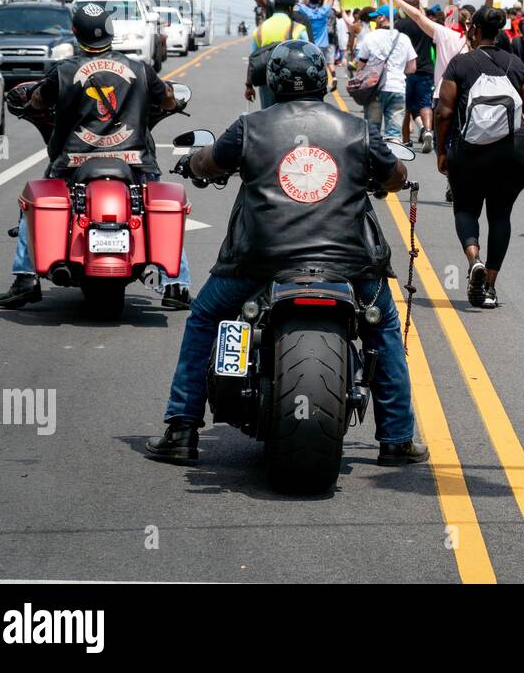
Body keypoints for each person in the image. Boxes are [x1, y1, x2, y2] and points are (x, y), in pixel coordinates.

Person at [146, 41, 426, 466]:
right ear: (324, 79)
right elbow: (394, 176)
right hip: (349, 263)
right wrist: (389, 176)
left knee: (205, 316)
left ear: (273, 82)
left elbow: (207, 164)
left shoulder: (249, 127)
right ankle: (397, 439)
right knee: (382, 326)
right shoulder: (357, 130)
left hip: (259, 260)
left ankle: (182, 428)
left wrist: (191, 165)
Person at [0, 4, 193, 310]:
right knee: (160, 204)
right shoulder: (140, 69)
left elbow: (37, 100)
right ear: (111, 32)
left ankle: (25, 278)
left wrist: (34, 104)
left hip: (73, 162)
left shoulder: (63, 72)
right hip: (134, 162)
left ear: (76, 33)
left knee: (32, 205)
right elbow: (167, 97)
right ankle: (176, 283)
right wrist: (169, 102)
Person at [434, 6, 524, 309]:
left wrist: (442, 151)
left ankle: (473, 258)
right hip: (514, 150)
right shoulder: (516, 64)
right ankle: (490, 287)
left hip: (470, 151)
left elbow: (444, 111)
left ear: (474, 30)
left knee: (466, 208)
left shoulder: (459, 64)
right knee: (500, 215)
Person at [356, 7, 416, 139]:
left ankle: (374, 158)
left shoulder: (370, 37)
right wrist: (398, 69)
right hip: (397, 88)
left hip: (375, 89)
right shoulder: (404, 38)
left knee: (373, 132)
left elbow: (360, 65)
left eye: (377, 16)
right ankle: (392, 157)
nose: (375, 19)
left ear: (382, 18)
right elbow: (412, 68)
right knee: (394, 134)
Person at [245, 0, 309, 108]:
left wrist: (249, 86)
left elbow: (252, 59)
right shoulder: (298, 28)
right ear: (290, 8)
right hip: (291, 82)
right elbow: (308, 58)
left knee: (268, 117)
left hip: (265, 81)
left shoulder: (259, 30)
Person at [392, 0, 436, 153]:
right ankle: (428, 131)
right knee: (425, 103)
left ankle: (406, 141)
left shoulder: (399, 25)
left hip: (406, 70)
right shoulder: (426, 23)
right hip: (426, 69)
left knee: (406, 107)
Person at [297, 0, 337, 89]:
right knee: (322, 65)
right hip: (323, 44)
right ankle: (322, 84)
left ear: (309, 1)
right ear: (319, 1)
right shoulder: (323, 12)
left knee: (309, 66)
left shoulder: (306, 11)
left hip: (310, 44)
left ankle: (311, 85)